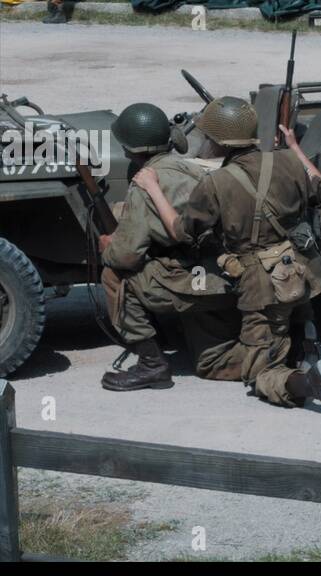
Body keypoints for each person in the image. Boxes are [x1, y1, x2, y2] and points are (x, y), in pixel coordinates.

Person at [134, 96, 321, 420]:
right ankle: (304, 341)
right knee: (286, 311)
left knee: (259, 373)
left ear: (219, 142)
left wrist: (152, 187)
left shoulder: (216, 184)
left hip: (263, 286)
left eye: (208, 137)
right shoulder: (289, 162)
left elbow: (181, 232)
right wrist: (294, 149)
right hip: (300, 272)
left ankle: (307, 383)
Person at [100, 102, 238, 392]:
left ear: (129, 150)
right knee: (210, 363)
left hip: (194, 282)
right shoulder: (192, 169)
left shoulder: (145, 184)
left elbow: (126, 256)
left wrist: (108, 247)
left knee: (114, 276)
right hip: (223, 279)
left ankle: (152, 365)